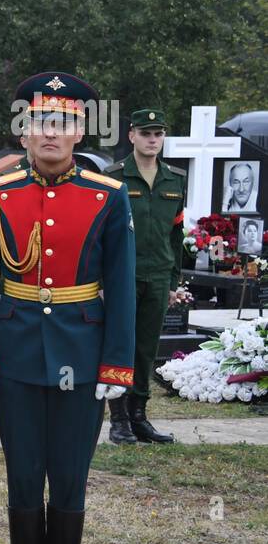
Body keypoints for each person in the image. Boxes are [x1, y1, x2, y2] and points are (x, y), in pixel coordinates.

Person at [0, 71, 135, 544]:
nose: (51, 133)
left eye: (62, 123)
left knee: (67, 475)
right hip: (14, 353)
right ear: (25, 133)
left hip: (81, 355)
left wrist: (116, 363)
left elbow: (124, 285)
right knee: (22, 472)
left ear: (80, 132)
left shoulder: (108, 197)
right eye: (40, 123)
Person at [103, 109, 184, 444]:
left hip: (159, 274)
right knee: (121, 344)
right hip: (123, 276)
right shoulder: (114, 175)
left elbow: (176, 235)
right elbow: (101, 234)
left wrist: (173, 282)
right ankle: (119, 419)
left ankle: (140, 416)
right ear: (132, 135)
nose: (153, 140)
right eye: (146, 133)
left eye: (158, 134)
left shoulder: (174, 178)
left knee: (147, 348)